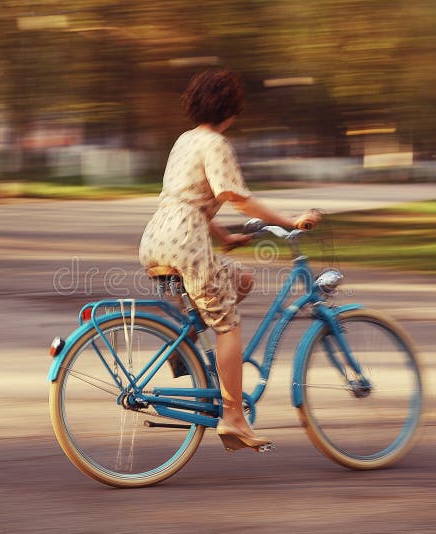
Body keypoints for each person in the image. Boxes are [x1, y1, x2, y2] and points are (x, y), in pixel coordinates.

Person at [139, 68, 320, 452]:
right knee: (227, 325)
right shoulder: (216, 144)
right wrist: (291, 220)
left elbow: (187, 197)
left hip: (157, 238)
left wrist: (224, 236)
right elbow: (235, 197)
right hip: (185, 243)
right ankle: (234, 417)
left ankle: (183, 347)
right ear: (231, 109)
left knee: (241, 281)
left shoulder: (185, 140)